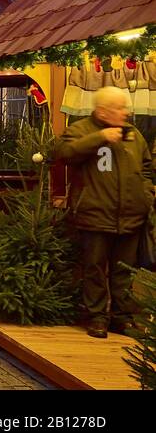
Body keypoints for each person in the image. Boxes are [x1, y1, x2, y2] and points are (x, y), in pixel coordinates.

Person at [53, 86, 155, 337]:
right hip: (95, 214)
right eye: (120, 108)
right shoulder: (80, 130)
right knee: (95, 269)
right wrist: (100, 138)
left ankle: (121, 318)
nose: (127, 113)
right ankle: (97, 317)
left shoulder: (134, 135)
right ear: (102, 111)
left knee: (124, 271)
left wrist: (146, 194)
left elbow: (146, 167)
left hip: (131, 216)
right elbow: (64, 154)